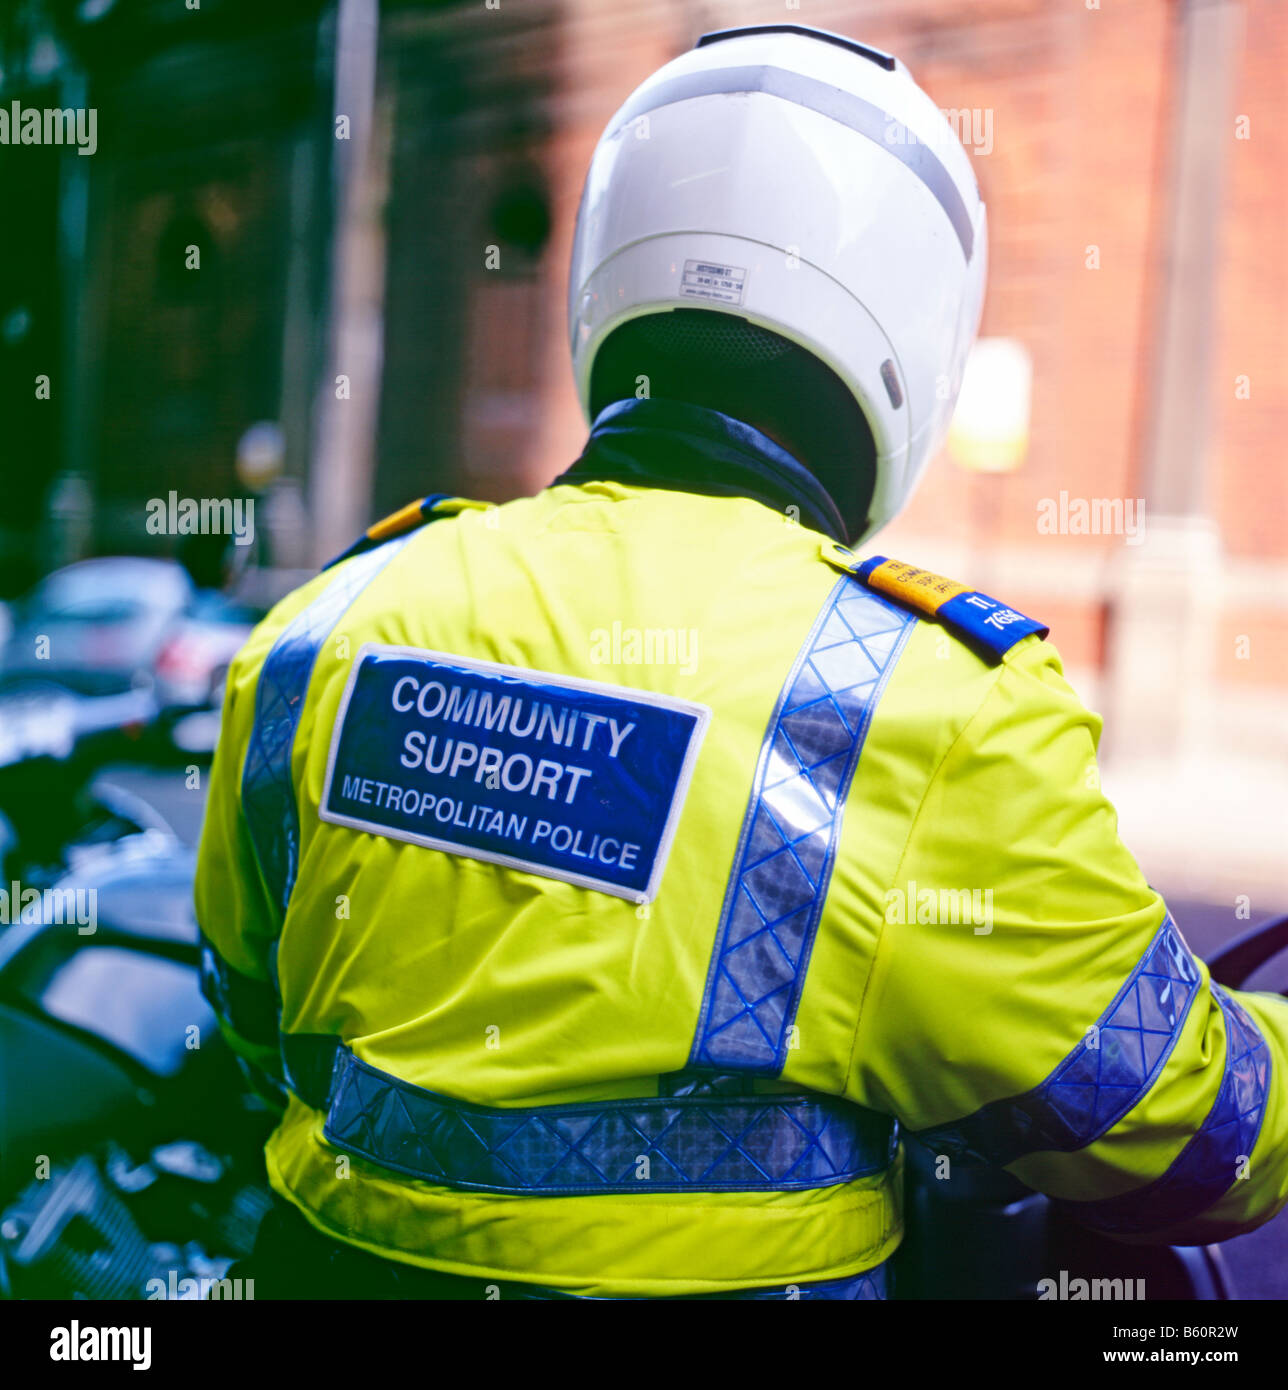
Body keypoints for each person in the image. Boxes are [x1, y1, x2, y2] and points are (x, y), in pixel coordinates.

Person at [196, 24, 1285, 1300]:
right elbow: (1189, 1141)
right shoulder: (925, 705)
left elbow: (251, 1013)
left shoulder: (328, 623)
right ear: (920, 329)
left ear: (604, 277)